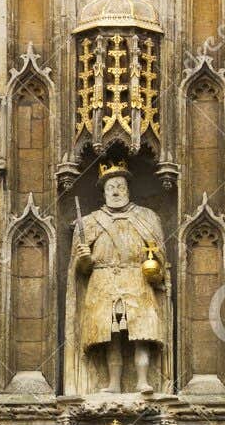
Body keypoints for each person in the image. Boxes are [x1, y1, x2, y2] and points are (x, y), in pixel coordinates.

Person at [70, 158, 167, 394]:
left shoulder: (147, 217)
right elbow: (80, 270)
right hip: (103, 283)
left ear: (128, 189)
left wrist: (154, 266)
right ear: (103, 192)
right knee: (111, 335)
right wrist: (83, 259)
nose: (116, 191)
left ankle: (143, 380)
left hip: (136, 279)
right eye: (110, 187)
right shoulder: (89, 222)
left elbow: (160, 254)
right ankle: (113, 383)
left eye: (120, 186)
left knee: (140, 333)